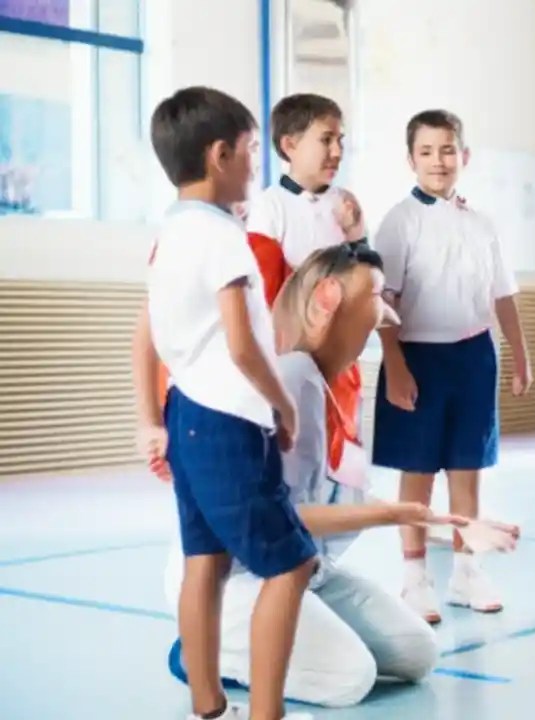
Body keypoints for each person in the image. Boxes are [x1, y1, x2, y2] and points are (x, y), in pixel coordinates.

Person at [160, 243, 520, 708]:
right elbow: (278, 517)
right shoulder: (291, 384)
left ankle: (290, 640)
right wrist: (396, 513)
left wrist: (442, 520)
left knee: (416, 653)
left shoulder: (328, 387)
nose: (383, 308)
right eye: (372, 294)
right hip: (246, 578)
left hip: (312, 572)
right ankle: (200, 653)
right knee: (349, 679)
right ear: (328, 300)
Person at [138, 85, 314, 720]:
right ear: (219, 155)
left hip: (188, 413)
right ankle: (269, 713)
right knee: (293, 566)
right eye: (248, 152)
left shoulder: (169, 234)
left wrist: (151, 417)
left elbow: (150, 334)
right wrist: (283, 406)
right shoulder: (222, 236)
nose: (252, 165)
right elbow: (242, 345)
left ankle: (208, 704)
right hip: (228, 420)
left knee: (203, 563)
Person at [372, 109, 532, 624]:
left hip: (473, 356)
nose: (438, 161)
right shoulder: (400, 221)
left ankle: (467, 569)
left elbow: (503, 295)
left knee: (468, 468)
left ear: (463, 156)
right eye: (426, 151)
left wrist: (520, 353)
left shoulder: (482, 223)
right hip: (419, 356)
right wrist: (395, 365)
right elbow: (384, 301)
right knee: (416, 473)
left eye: (447, 150)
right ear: (410, 159)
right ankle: (415, 578)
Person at [244, 92, 368, 484]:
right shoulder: (269, 207)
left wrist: (357, 237)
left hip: (341, 359)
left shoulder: (346, 205)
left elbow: (367, 280)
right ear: (290, 145)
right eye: (326, 139)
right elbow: (266, 293)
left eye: (341, 141)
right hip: (294, 355)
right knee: (296, 458)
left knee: (342, 462)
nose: (336, 151)